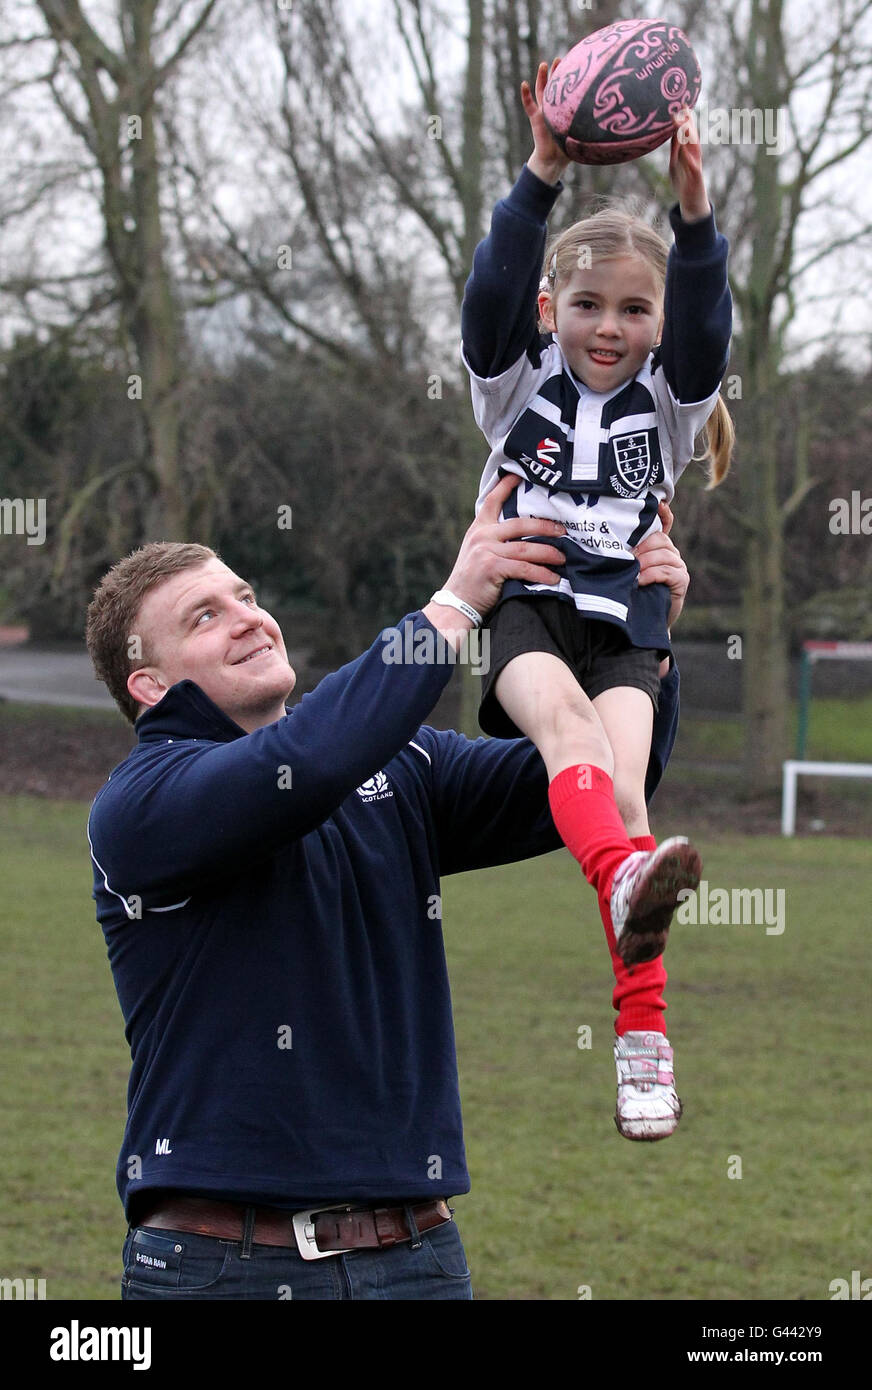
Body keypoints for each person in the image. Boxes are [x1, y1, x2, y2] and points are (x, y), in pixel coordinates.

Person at [85, 476, 689, 1300]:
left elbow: (603, 774)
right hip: (220, 1267)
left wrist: (636, 633)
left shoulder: (404, 766)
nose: (249, 619)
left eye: (246, 596)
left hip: (416, 1259)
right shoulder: (141, 805)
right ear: (149, 685)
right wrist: (456, 602)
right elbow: (307, 763)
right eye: (205, 617)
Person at [461, 63, 734, 1140]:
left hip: (629, 619)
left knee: (624, 802)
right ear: (550, 309)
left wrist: (694, 212)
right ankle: (633, 941)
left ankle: (639, 1047)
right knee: (566, 731)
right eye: (585, 305)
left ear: (657, 324)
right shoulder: (511, 381)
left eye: (631, 309)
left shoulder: (669, 405)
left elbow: (707, 318)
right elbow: (487, 290)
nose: (607, 326)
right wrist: (539, 171)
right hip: (529, 603)